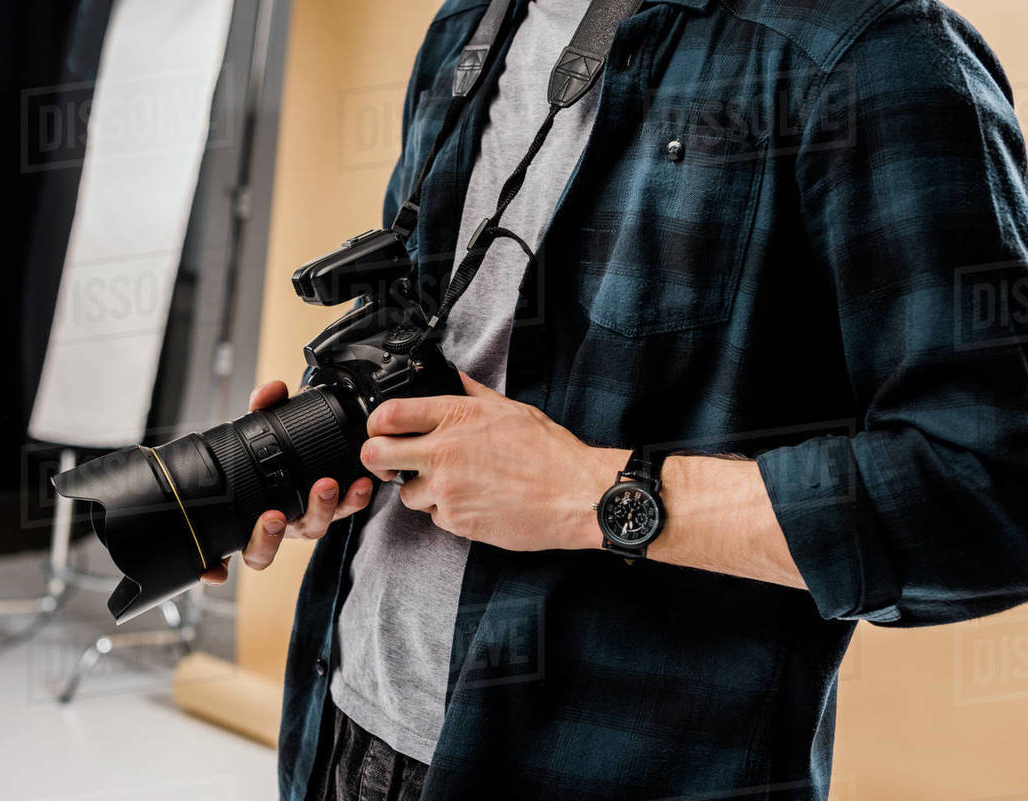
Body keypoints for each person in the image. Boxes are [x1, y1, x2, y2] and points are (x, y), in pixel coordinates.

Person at [202, 0, 1028, 798]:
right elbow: (439, 342)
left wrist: (594, 493)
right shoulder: (474, 21)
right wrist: (328, 450)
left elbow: (990, 489)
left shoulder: (875, 48)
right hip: (342, 726)